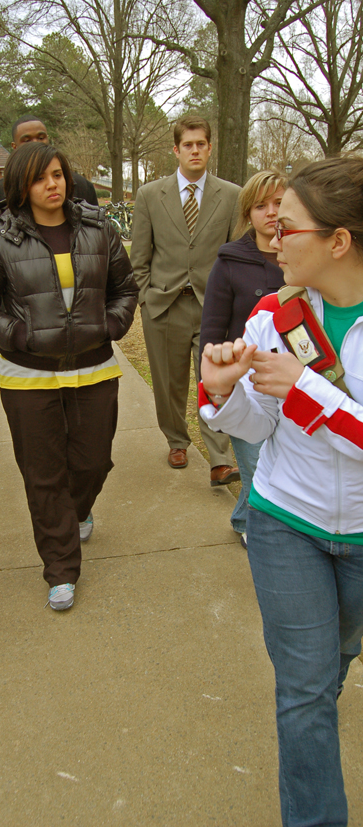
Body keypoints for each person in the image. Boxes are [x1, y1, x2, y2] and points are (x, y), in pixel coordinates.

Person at [199, 155, 363, 826]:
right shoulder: (275, 313)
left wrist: (304, 385)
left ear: (338, 240)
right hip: (283, 520)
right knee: (302, 691)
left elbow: (309, 401)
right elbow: (259, 426)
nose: (271, 238)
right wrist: (224, 390)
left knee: (326, 675)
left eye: (287, 228)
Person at [0, 142, 138, 611]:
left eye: (59, 174)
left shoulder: (99, 228)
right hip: (27, 375)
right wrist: (18, 334)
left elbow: (125, 288)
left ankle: (77, 509)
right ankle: (61, 568)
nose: (53, 184)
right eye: (42, 178)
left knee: (92, 462)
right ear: (22, 185)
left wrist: (111, 325)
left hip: (94, 368)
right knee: (44, 474)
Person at [130, 114, 241, 485]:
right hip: (164, 305)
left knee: (214, 381)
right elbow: (140, 257)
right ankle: (176, 439)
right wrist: (145, 297)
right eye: (187, 145)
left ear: (210, 148)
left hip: (214, 306)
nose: (195, 151)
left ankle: (219, 457)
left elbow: (234, 253)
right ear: (175, 150)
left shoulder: (232, 195)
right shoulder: (149, 195)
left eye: (201, 144)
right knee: (168, 381)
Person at [200, 170, 286, 546]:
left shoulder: (304, 258)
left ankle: (241, 515)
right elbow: (211, 333)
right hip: (248, 389)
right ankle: (255, 527)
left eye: (279, 204)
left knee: (280, 467)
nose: (270, 213)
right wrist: (214, 388)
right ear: (247, 214)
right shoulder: (229, 261)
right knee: (256, 468)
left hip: (299, 385)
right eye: (260, 205)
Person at [0, 115, 99, 272]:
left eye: (41, 137)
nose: (36, 143)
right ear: (14, 146)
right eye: (27, 140)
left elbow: (97, 243)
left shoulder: (80, 186)